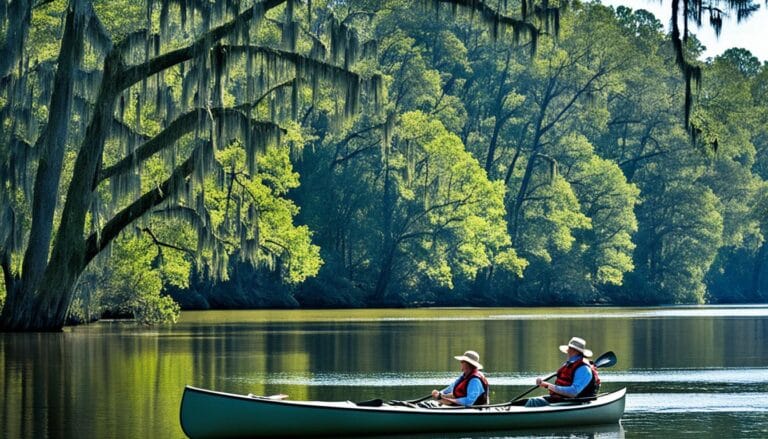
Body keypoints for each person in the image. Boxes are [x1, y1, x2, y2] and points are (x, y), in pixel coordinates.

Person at [524, 336, 601, 407]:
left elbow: (573, 392)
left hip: (576, 402)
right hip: (563, 399)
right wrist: (542, 381)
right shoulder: (569, 364)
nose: (568, 351)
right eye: (569, 348)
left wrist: (548, 385)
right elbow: (559, 377)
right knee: (527, 402)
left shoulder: (583, 369)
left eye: (570, 349)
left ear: (576, 351)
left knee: (534, 402)